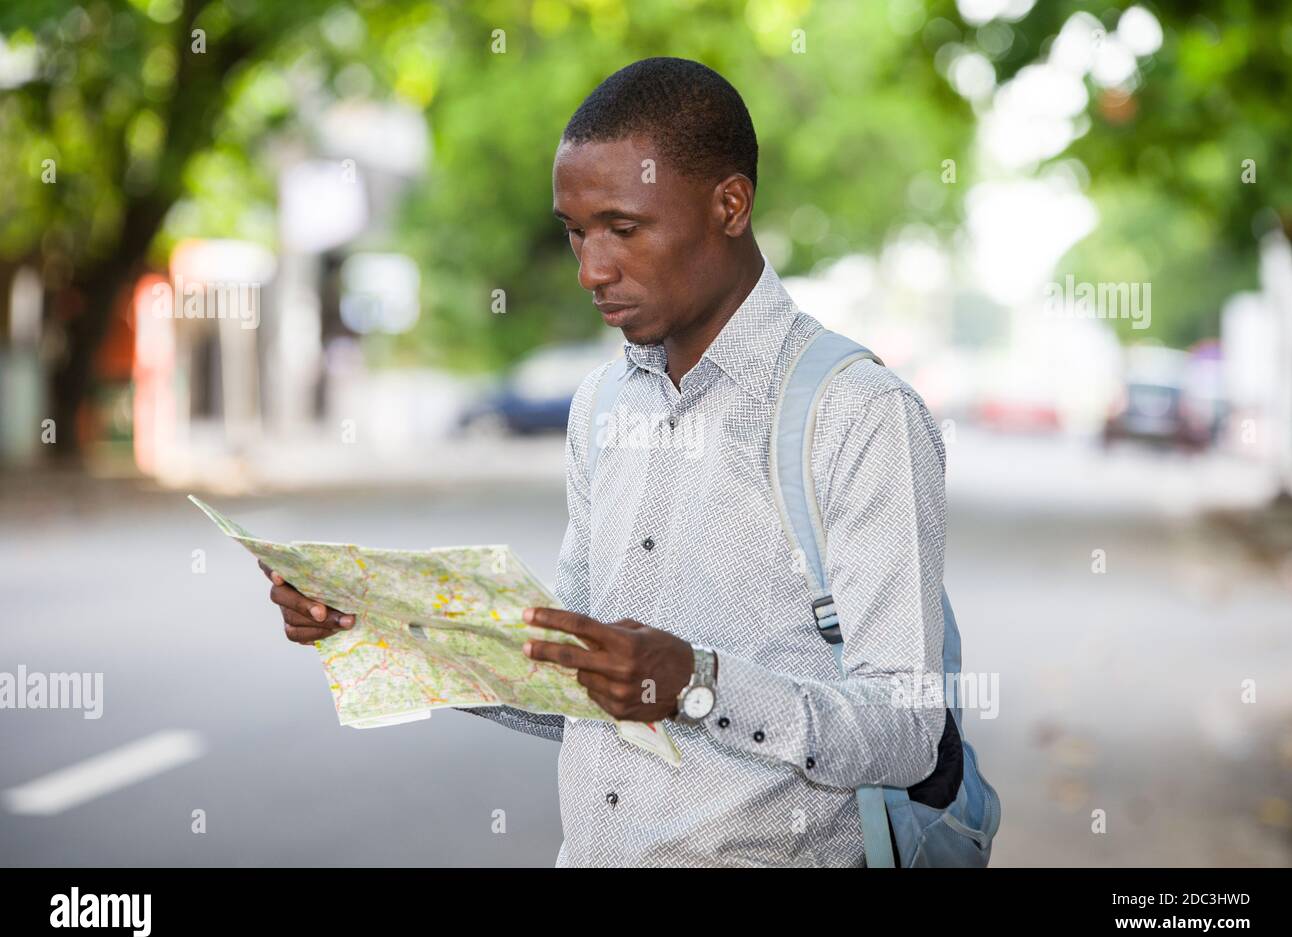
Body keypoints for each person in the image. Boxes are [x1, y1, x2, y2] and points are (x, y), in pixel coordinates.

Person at [263, 56, 956, 867]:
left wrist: (700, 683)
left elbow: (908, 729)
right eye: (575, 233)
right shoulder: (601, 405)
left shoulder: (860, 412)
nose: (592, 269)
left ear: (730, 204)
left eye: (623, 228)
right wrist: (383, 627)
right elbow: (580, 687)